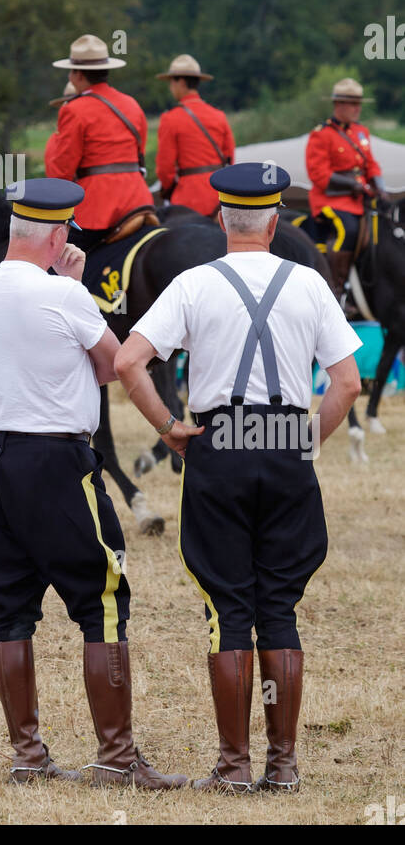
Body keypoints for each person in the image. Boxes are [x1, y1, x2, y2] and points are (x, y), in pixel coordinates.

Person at [114, 163, 361, 794]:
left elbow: (128, 361)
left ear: (222, 219)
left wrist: (169, 425)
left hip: (217, 442)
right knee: (279, 609)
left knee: (230, 610)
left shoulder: (193, 282)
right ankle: (283, 766)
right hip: (285, 444)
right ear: (276, 222)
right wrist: (306, 440)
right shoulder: (308, 283)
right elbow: (347, 383)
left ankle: (234, 766)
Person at [0, 177, 188, 790]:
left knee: (10, 608)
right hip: (57, 458)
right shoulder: (66, 296)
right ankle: (117, 759)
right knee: (103, 602)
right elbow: (114, 365)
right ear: (60, 235)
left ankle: (27, 755)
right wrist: (77, 289)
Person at [44, 34, 155, 253]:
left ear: (76, 74)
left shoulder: (73, 109)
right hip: (139, 199)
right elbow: (139, 152)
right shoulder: (131, 103)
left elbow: (62, 171)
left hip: (100, 209)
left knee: (55, 260)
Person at [305, 78, 389, 305]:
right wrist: (353, 185)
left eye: (358, 103)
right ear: (339, 105)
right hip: (331, 200)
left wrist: (379, 186)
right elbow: (318, 174)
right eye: (353, 104)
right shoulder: (321, 134)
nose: (357, 108)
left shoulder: (361, 132)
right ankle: (336, 289)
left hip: (360, 198)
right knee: (348, 230)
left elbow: (370, 163)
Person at [155, 53, 234, 215]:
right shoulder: (219, 115)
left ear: (181, 82)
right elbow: (229, 158)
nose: (170, 88)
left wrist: (169, 190)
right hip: (220, 197)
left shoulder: (170, 119)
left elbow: (165, 168)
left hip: (188, 199)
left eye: (172, 82)